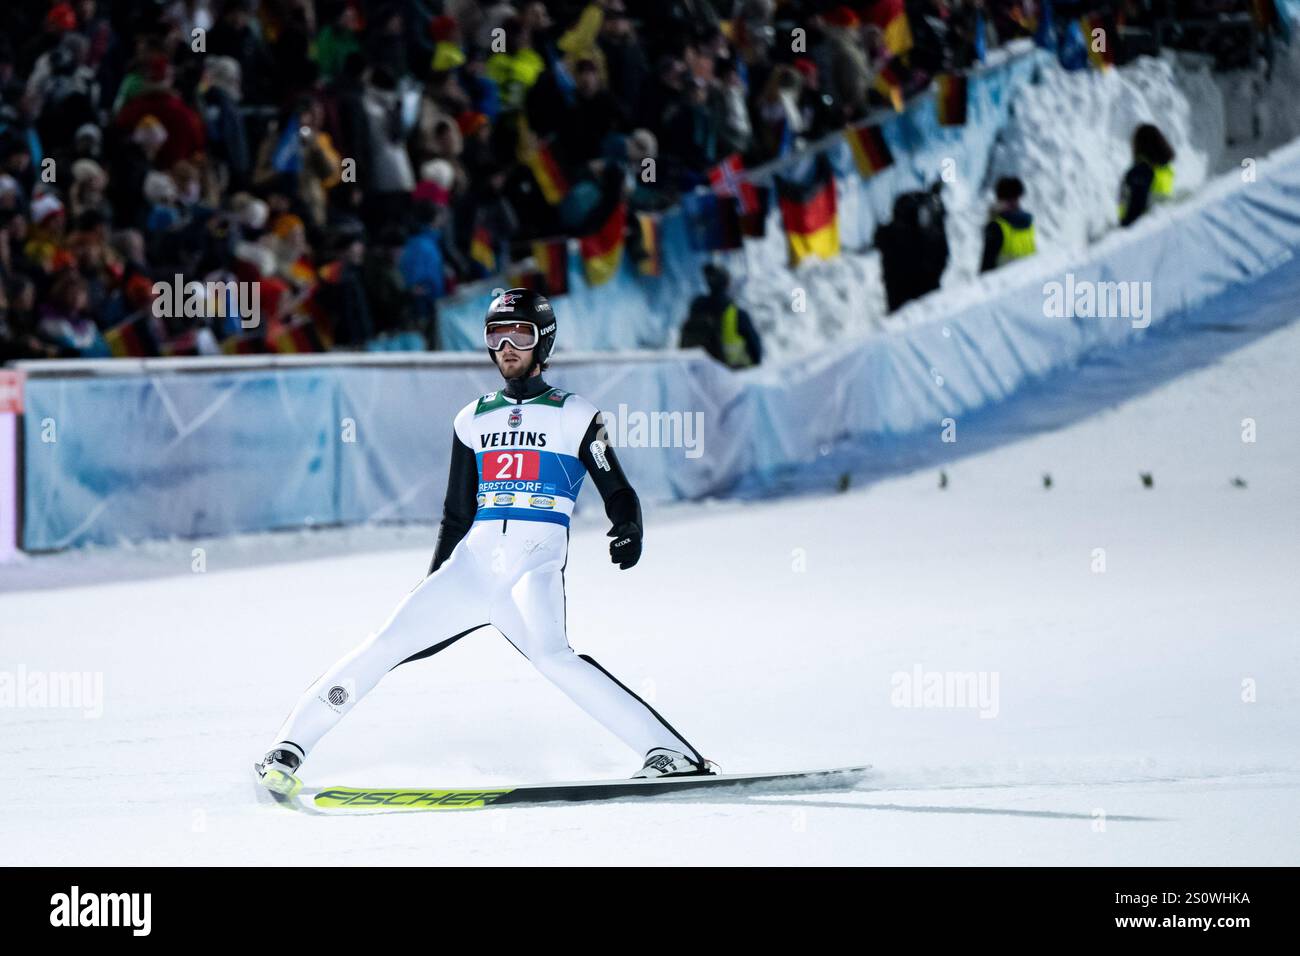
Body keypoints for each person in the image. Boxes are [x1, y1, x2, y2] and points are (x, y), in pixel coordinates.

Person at [256, 289, 712, 792]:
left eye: (519, 334)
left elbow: (618, 488)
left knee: (555, 659)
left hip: (531, 571)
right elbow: (456, 515)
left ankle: (672, 753)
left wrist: (628, 528)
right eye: (496, 336)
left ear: (544, 342)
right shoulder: (472, 417)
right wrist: (433, 588)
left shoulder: (575, 413)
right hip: (471, 569)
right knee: (384, 644)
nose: (506, 347)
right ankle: (288, 749)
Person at [874, 182, 948, 312]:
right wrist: (937, 215)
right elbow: (941, 257)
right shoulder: (918, 240)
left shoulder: (888, 236)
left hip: (900, 308)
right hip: (924, 305)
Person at [680, 263, 762, 369]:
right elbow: (756, 351)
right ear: (727, 284)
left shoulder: (697, 307)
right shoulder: (736, 313)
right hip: (732, 371)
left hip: (697, 371)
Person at [1119, 123, 1175, 227]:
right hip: (1159, 226)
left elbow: (1135, 211)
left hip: (1139, 232)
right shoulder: (1166, 170)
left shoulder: (1140, 172)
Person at [979, 176, 1035, 272]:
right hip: (1028, 280)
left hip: (1004, 284)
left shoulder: (996, 226)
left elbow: (987, 265)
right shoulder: (1028, 224)